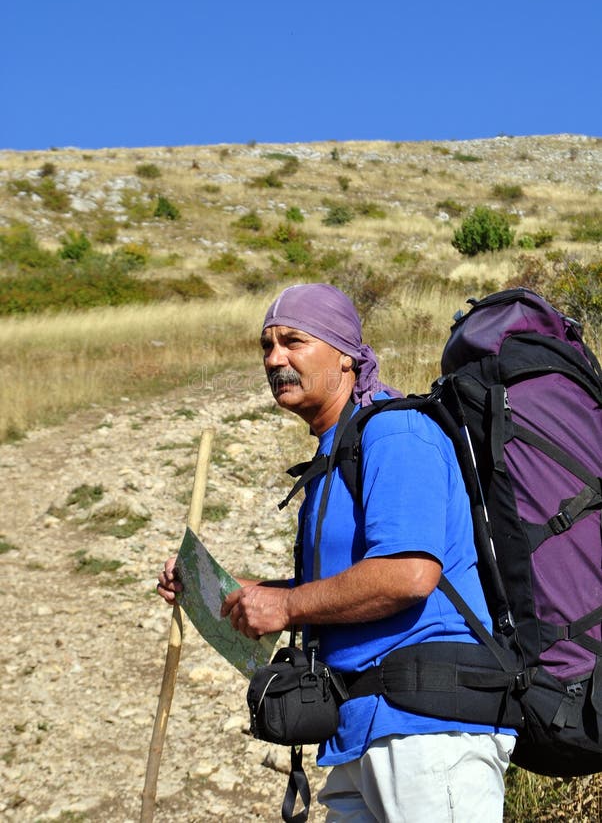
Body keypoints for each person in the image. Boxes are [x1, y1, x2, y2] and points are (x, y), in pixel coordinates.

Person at [158, 282, 515, 822]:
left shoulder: (397, 431)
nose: (275, 359)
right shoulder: (336, 450)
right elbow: (340, 588)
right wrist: (228, 593)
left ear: (346, 354)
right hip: (361, 730)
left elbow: (408, 574)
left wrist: (285, 607)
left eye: (294, 341)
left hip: (429, 731)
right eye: (266, 346)